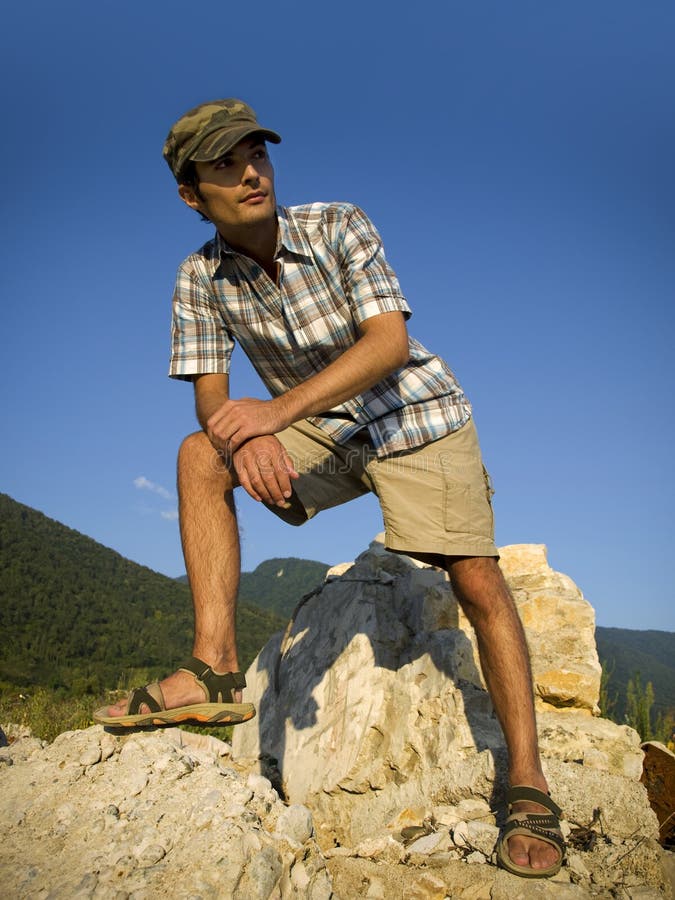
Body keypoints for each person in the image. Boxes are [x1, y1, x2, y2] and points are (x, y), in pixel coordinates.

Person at [94, 99, 565, 878]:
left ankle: (527, 780)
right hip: (323, 433)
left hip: (414, 418)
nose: (250, 173)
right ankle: (213, 667)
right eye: (224, 165)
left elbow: (389, 343)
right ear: (190, 193)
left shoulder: (337, 224)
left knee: (476, 578)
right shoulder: (197, 278)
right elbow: (212, 402)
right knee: (198, 456)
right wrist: (241, 437)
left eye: (256, 154)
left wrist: (271, 416)